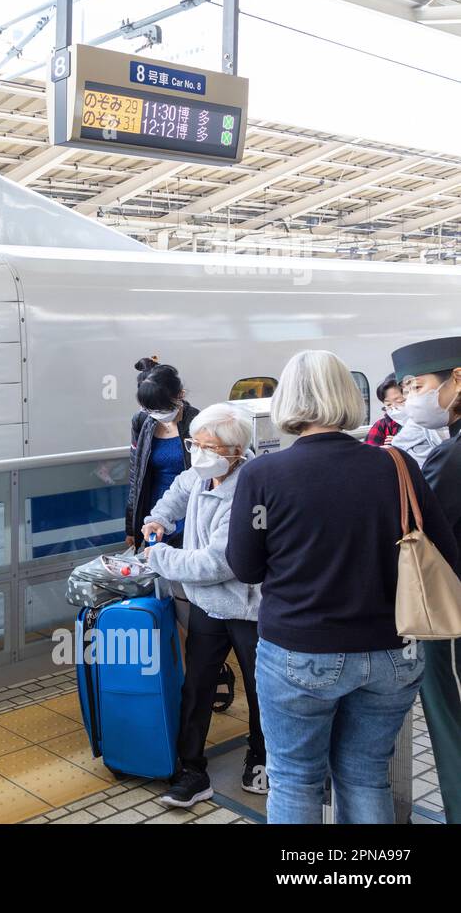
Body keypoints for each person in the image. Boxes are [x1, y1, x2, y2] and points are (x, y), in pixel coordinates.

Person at [227, 350, 459, 823]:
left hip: (299, 651)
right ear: (348, 397)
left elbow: (246, 567)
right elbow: (445, 555)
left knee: (294, 779)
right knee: (365, 774)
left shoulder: (262, 475)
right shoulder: (397, 466)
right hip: (393, 653)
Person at [138, 404, 265, 807]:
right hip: (207, 605)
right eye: (196, 444)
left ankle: (260, 761)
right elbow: (173, 495)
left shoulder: (247, 492)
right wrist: (157, 521)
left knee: (262, 690)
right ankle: (192, 771)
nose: (199, 453)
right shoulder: (200, 475)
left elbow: (217, 563)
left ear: (236, 452)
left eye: (211, 447)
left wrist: (156, 557)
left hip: (248, 610)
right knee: (197, 687)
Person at [393, 337, 461, 823]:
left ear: (457, 379)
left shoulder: (451, 458)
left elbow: (417, 531)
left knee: (449, 720)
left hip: (451, 616)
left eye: (418, 386)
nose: (411, 397)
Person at [126, 359, 199, 549]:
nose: (154, 414)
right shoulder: (143, 421)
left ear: (180, 396)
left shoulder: (198, 424)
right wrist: (131, 527)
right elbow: (136, 474)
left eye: (160, 408)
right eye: (149, 409)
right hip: (154, 507)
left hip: (188, 507)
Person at [364, 373, 404, 447]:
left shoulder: (425, 424)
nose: (394, 408)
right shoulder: (381, 426)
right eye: (388, 405)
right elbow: (368, 455)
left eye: (400, 401)